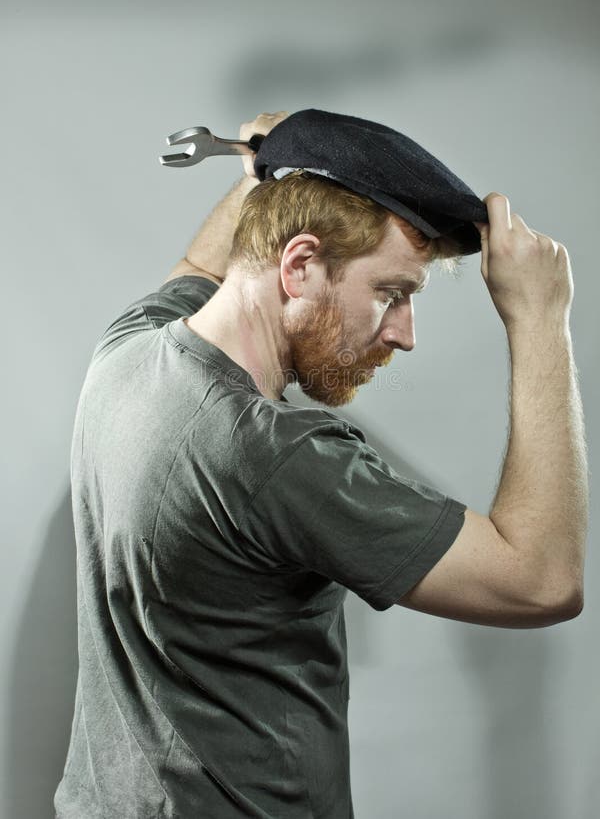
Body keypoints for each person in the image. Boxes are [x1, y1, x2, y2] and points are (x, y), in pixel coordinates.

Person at [54, 110, 588, 819]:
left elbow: (203, 270)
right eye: (392, 294)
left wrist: (270, 166)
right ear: (299, 265)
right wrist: (541, 318)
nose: (404, 334)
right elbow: (543, 582)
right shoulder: (274, 455)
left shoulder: (130, 348)